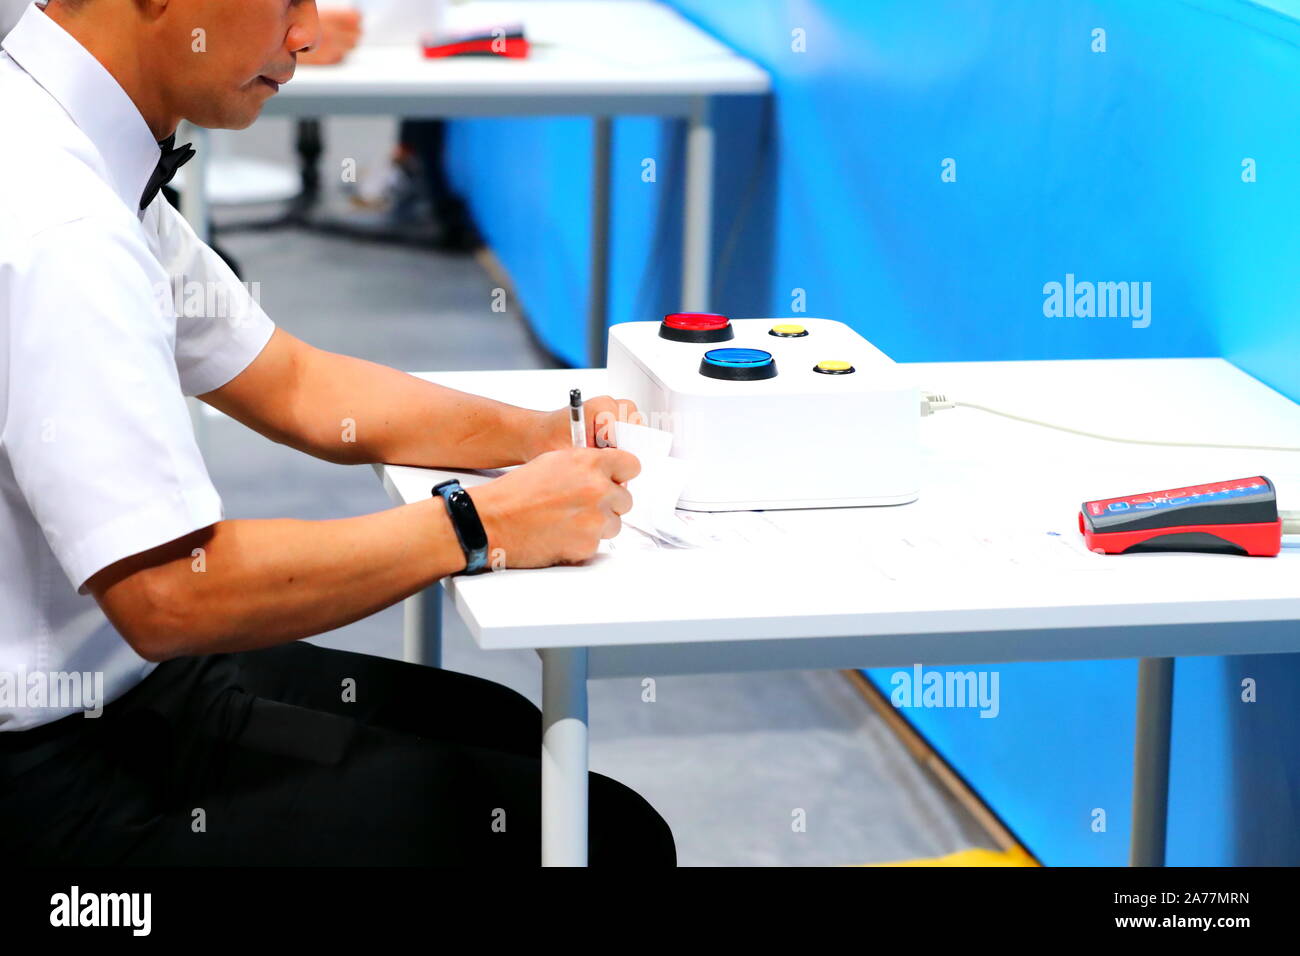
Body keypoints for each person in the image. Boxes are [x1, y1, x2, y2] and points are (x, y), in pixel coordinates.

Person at [0, 0, 674, 866]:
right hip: (57, 782)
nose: (309, 33)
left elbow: (293, 382)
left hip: (115, 687)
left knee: (503, 731)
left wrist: (537, 437)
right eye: (286, 0)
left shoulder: (67, 132)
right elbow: (169, 594)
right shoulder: (60, 222)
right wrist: (482, 525)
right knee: (606, 838)